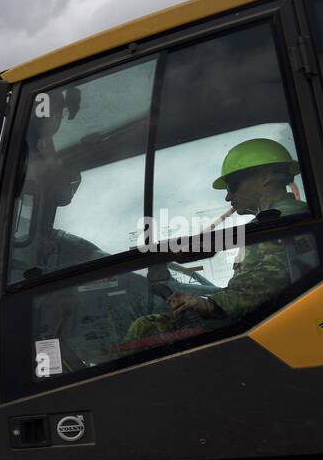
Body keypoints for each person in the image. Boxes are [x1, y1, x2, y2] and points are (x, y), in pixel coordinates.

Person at [124, 138, 306, 345]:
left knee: (145, 328)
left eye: (232, 186)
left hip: (265, 325)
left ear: (264, 176)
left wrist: (210, 305)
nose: (228, 197)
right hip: (259, 319)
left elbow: (267, 284)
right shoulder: (276, 221)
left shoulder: (279, 223)